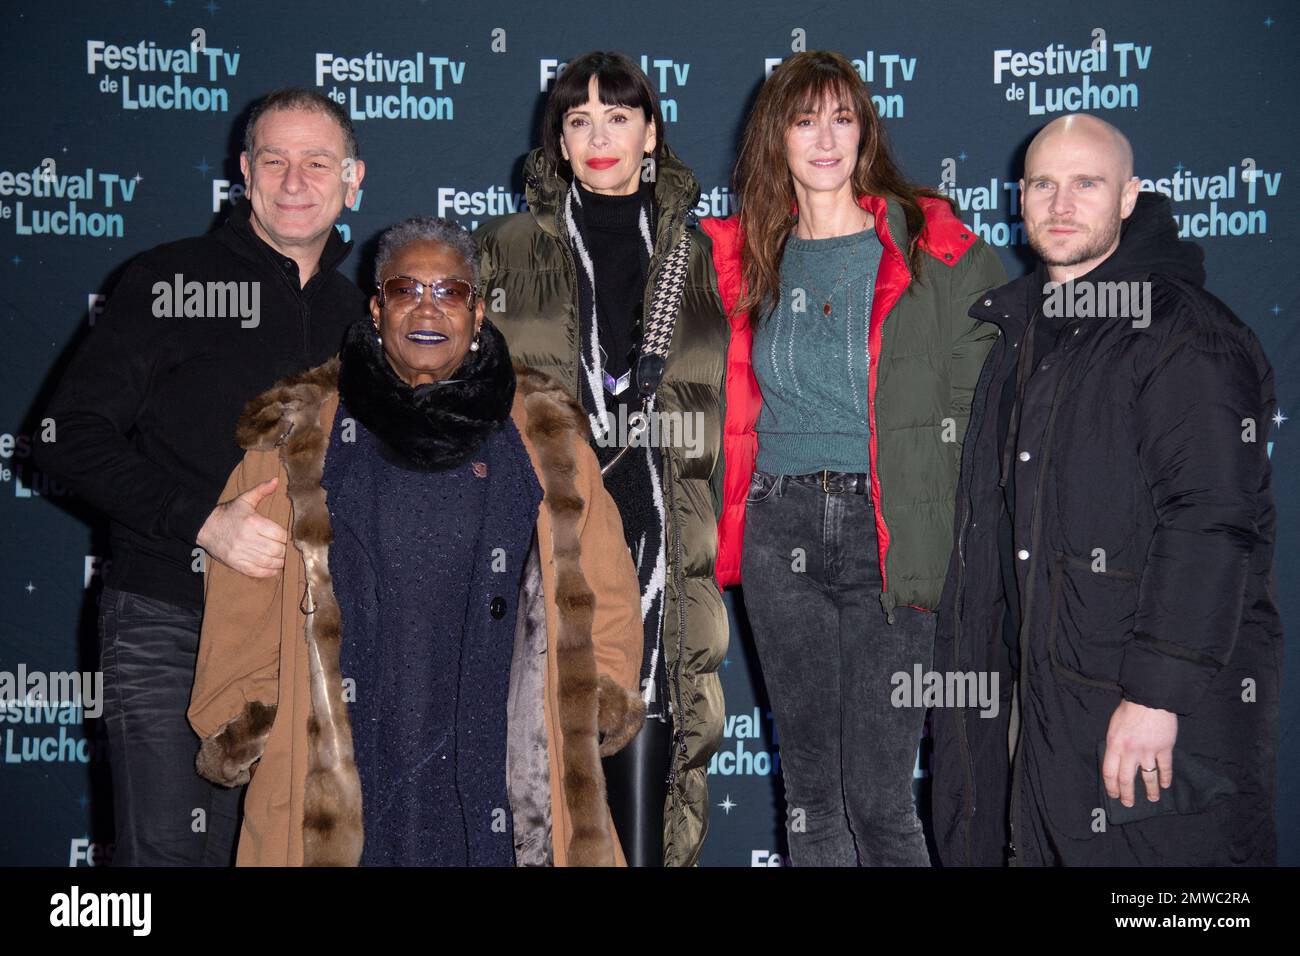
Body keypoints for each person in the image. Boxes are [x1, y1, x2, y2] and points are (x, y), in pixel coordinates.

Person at [188, 218, 645, 866]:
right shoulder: (299, 439)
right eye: (407, 289)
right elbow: (242, 595)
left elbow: (605, 580)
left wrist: (600, 689)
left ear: (477, 311)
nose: (427, 308)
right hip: (344, 768)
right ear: (377, 308)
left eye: (449, 291)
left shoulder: (546, 439)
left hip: (503, 766)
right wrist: (245, 715)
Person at [931, 114, 1282, 866]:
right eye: (1044, 185)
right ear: (1019, 199)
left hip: (1147, 716)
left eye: (1087, 183)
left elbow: (1214, 522)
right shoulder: (1019, 338)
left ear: (1129, 198)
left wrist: (1157, 695)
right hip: (1046, 714)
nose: (1062, 204)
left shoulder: (1185, 335)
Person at [32, 88, 366, 866]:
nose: (294, 181)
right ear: (244, 174)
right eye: (275, 161)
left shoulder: (367, 319)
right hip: (169, 621)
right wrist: (202, 521)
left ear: (353, 181)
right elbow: (64, 436)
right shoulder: (167, 280)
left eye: (317, 162)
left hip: (307, 641)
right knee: (165, 861)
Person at [701, 50, 1007, 867]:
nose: (826, 138)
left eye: (842, 116)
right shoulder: (743, 256)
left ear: (866, 129)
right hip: (779, 531)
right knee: (810, 794)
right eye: (805, 120)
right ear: (777, 138)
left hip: (891, 534)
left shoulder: (930, 247)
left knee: (878, 795)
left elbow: (982, 407)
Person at [475, 51, 728, 867]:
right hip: (548, 538)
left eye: (619, 117)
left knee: (652, 766)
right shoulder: (504, 248)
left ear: (652, 132)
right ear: (557, 141)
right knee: (544, 772)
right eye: (578, 120)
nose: (600, 136)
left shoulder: (708, 254)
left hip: (665, 530)